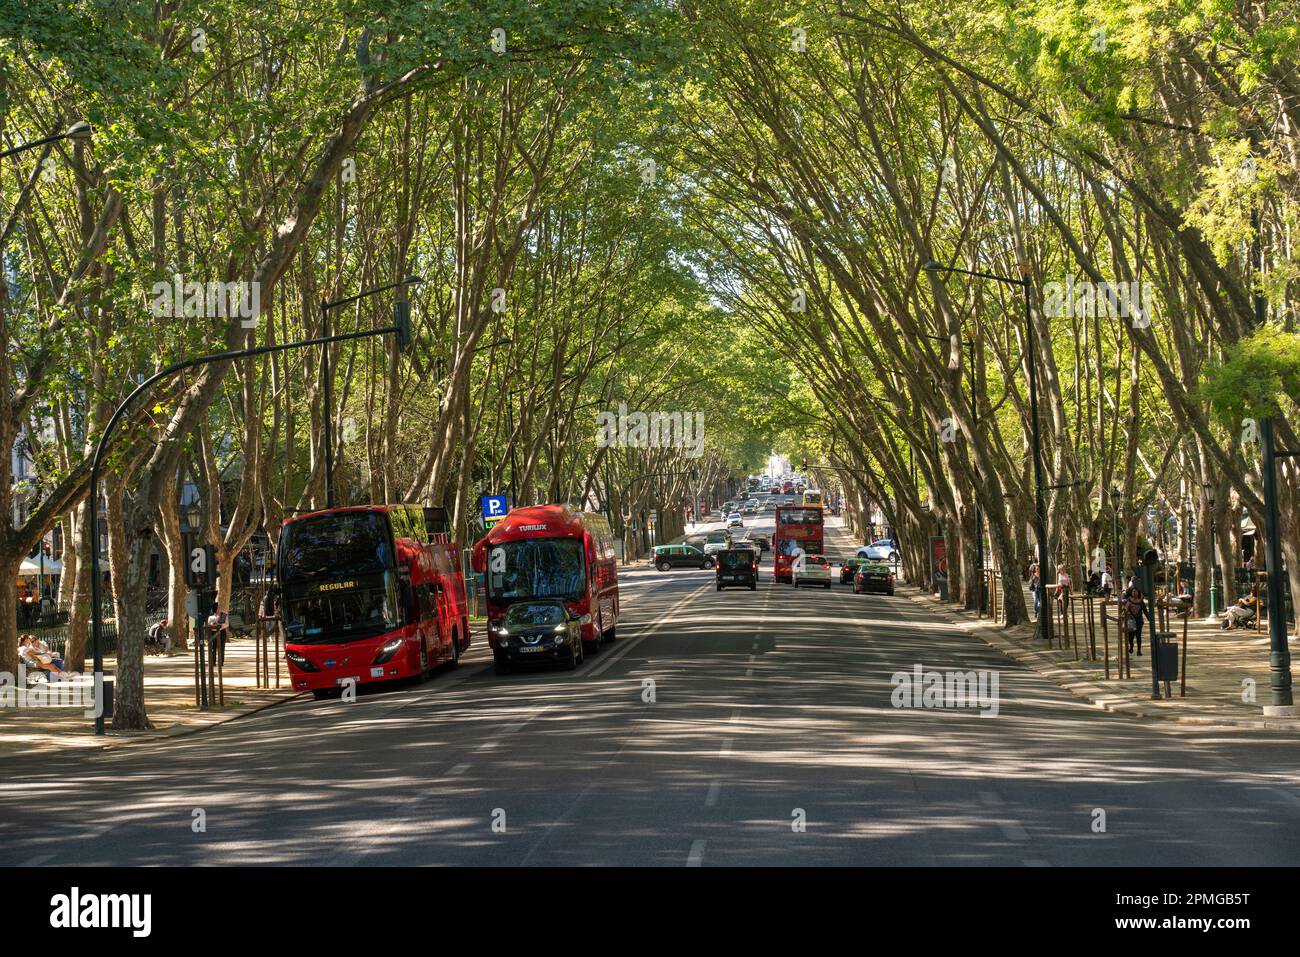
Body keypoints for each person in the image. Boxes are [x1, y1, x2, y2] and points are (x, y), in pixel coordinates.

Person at [1122, 587, 1146, 656]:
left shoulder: (1141, 602)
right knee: (1131, 636)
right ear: (1131, 593)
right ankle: (1131, 646)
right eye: (1133, 591)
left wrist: (1149, 619)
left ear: (1138, 593)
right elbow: (1125, 611)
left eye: (1136, 591)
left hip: (1139, 621)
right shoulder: (1128, 601)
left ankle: (1139, 650)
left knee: (1138, 636)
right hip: (1131, 622)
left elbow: (1145, 611)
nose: (1134, 593)